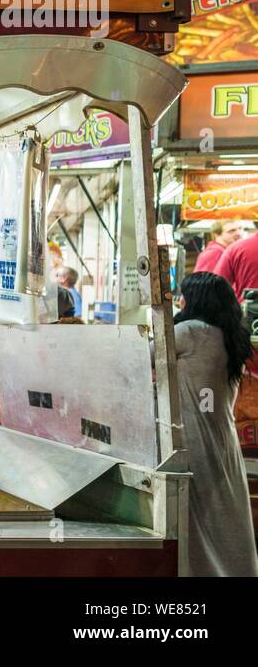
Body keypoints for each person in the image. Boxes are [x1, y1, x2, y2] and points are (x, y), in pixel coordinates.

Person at [172, 271, 258, 577]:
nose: (179, 300)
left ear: (195, 299)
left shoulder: (190, 332)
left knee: (197, 515)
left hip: (195, 437)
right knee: (225, 515)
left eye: (182, 294)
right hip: (224, 437)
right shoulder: (232, 335)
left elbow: (147, 356)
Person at [214, 223, 258, 299]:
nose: (238, 233)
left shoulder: (236, 248)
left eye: (240, 229)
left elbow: (215, 287)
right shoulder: (215, 251)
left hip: (247, 308)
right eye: (231, 231)